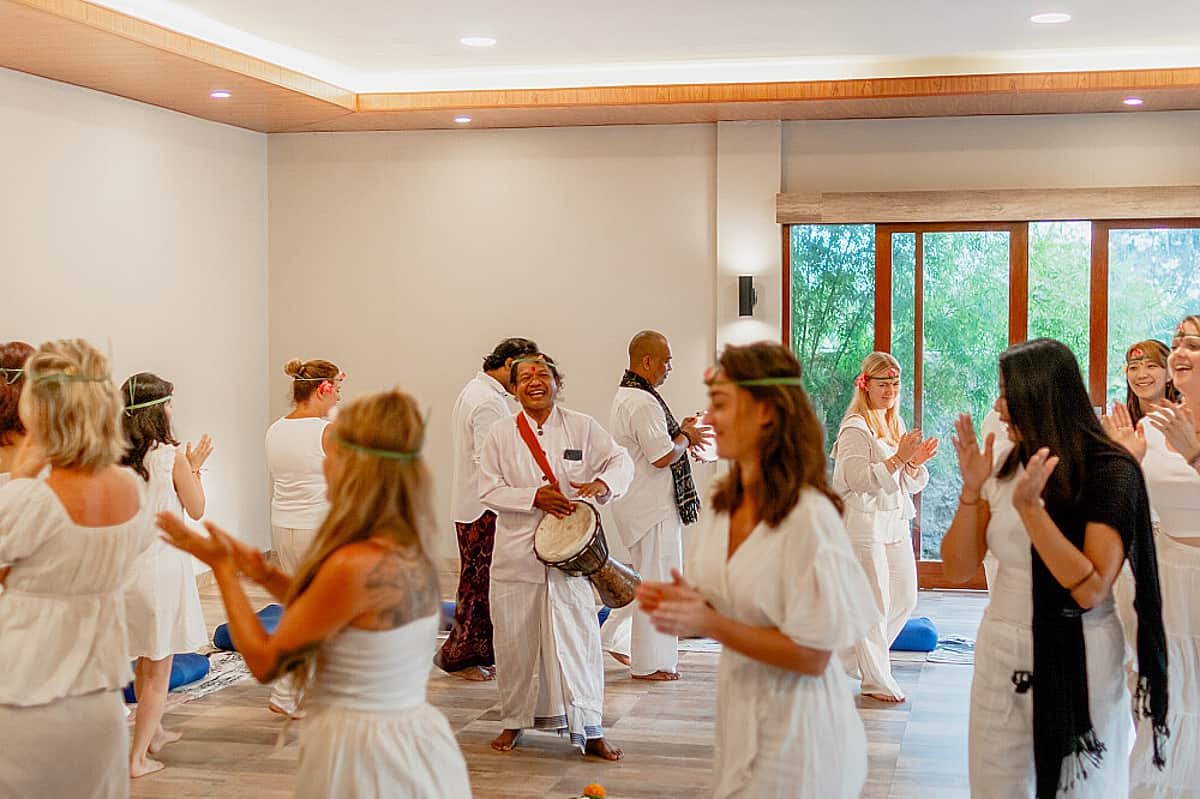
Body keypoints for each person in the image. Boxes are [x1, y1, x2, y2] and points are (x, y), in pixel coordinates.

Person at [158, 389, 472, 798]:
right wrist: (260, 571)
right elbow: (339, 609)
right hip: (416, 738)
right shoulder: (406, 547)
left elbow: (266, 663)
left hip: (364, 752)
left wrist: (224, 571)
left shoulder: (353, 563)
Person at [639, 342, 879, 798]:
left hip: (803, 730)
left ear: (766, 412)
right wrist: (691, 602)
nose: (709, 420)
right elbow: (729, 595)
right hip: (741, 710)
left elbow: (812, 656)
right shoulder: (721, 504)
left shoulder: (808, 517)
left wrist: (708, 622)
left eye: (723, 404)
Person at [942, 338, 1168, 798]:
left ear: (1038, 396)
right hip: (1002, 647)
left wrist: (1032, 513)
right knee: (995, 787)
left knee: (1081, 788)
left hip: (1080, 649)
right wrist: (971, 491)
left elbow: (1090, 589)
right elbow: (956, 568)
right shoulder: (1006, 463)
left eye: (1006, 394)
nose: (999, 408)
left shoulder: (1111, 469)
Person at [0, 339, 152, 798]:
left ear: (35, 413)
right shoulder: (130, 488)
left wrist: (24, 474)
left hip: (26, 694)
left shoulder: (29, 499)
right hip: (99, 700)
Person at [478, 354, 634, 760]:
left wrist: (602, 484)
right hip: (517, 557)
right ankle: (513, 721)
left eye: (542, 374)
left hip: (571, 563)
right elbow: (488, 489)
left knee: (580, 642)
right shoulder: (499, 434)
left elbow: (622, 460)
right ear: (513, 389)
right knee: (514, 643)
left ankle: (592, 728)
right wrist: (532, 497)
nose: (534, 381)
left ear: (556, 382)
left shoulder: (582, 426)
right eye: (525, 376)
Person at [1105, 314, 1200, 797]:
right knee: (1159, 694)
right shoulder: (1152, 427)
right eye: (1178, 342)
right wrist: (1128, 462)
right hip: (1160, 572)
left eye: (1192, 344)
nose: (1181, 352)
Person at [601, 330, 711, 681]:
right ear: (646, 362)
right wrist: (687, 437)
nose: (670, 367)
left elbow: (663, 443)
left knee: (647, 579)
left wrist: (681, 433)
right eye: (666, 360)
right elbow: (662, 455)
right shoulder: (643, 402)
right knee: (657, 584)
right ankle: (649, 663)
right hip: (650, 507)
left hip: (642, 503)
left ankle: (612, 638)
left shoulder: (630, 395)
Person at [120, 372, 213, 777]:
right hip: (161, 570)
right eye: (171, 403)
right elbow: (195, 509)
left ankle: (154, 730)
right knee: (158, 669)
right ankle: (137, 758)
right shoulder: (168, 456)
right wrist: (193, 468)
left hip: (126, 570)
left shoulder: (112, 455)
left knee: (145, 659)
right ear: (160, 410)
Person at [830, 352, 937, 702]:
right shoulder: (854, 427)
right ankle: (876, 678)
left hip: (893, 521)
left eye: (895, 383)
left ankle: (848, 657)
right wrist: (898, 459)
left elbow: (906, 482)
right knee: (874, 603)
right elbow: (858, 480)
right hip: (863, 524)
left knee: (906, 596)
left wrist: (913, 464)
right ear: (866, 385)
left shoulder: (894, 423)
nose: (890, 389)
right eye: (883, 383)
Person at [437, 336, 539, 681]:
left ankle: (481, 652)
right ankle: (461, 657)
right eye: (525, 373)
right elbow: (487, 460)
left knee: (480, 584)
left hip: (473, 503)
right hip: (484, 507)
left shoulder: (477, 392)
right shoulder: (486, 402)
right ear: (509, 364)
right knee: (479, 586)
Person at [264, 357, 343, 717]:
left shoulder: (275, 429)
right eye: (337, 391)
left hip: (284, 526)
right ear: (323, 390)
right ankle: (291, 693)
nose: (339, 399)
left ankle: (295, 690)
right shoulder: (325, 432)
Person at [1121, 339, 1180, 427]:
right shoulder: (1121, 425)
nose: (1141, 375)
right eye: (1133, 367)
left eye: (1151, 366)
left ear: (1169, 374)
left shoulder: (1185, 421)